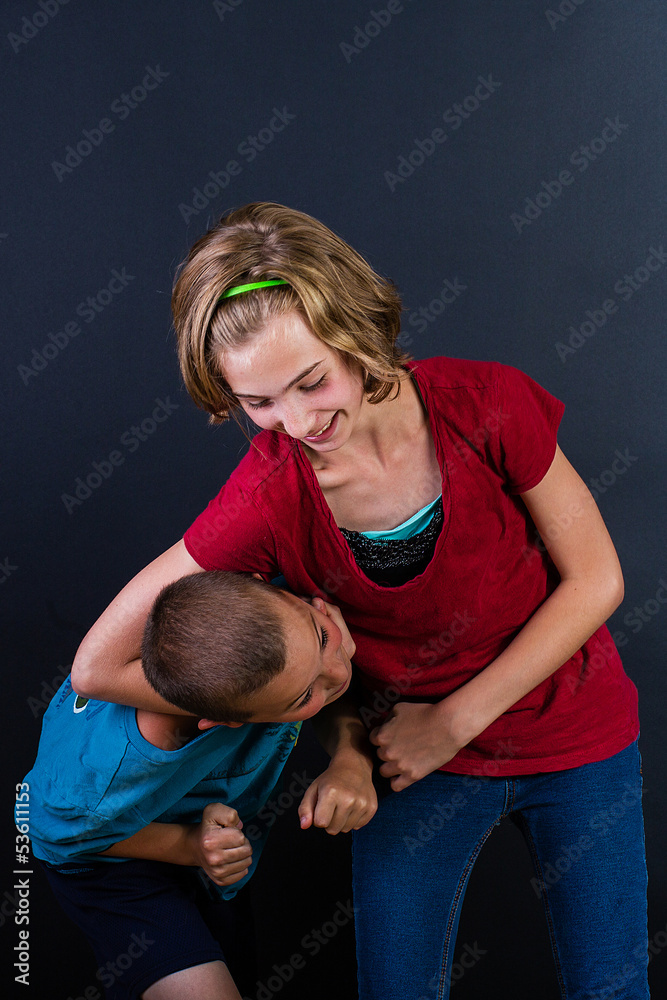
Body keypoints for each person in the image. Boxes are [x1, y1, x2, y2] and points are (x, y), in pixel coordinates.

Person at [71, 202, 649, 999]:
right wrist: (285, 706)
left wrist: (450, 720)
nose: (298, 422)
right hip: (408, 767)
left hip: (575, 737)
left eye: (312, 380)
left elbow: (597, 580)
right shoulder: (270, 494)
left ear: (357, 330)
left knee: (610, 986)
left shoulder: (485, 403)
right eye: (260, 403)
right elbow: (97, 666)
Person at [19, 569, 368, 1000]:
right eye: (304, 697)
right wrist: (188, 845)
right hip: (110, 859)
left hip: (213, 846)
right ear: (225, 721)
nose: (340, 669)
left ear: (265, 584)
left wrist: (351, 759)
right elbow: (47, 830)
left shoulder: (262, 617)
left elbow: (329, 676)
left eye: (321, 638)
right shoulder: (106, 777)